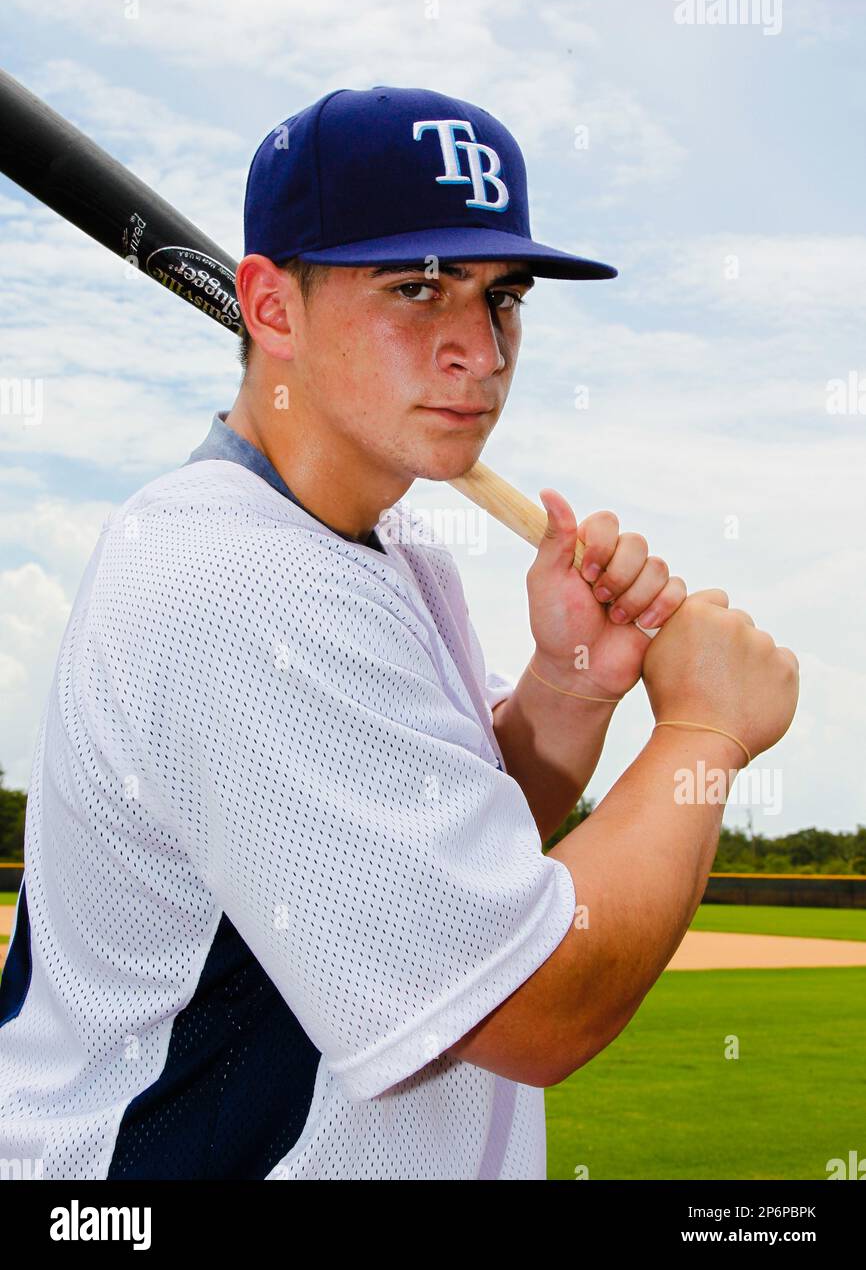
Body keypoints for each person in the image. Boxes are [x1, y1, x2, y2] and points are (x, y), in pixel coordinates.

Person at [0, 86, 799, 1180]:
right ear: (271, 310)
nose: (479, 347)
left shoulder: (387, 550)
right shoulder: (236, 582)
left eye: (501, 294)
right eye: (415, 287)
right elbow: (534, 1009)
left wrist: (567, 689)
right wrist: (701, 731)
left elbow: (428, 857)